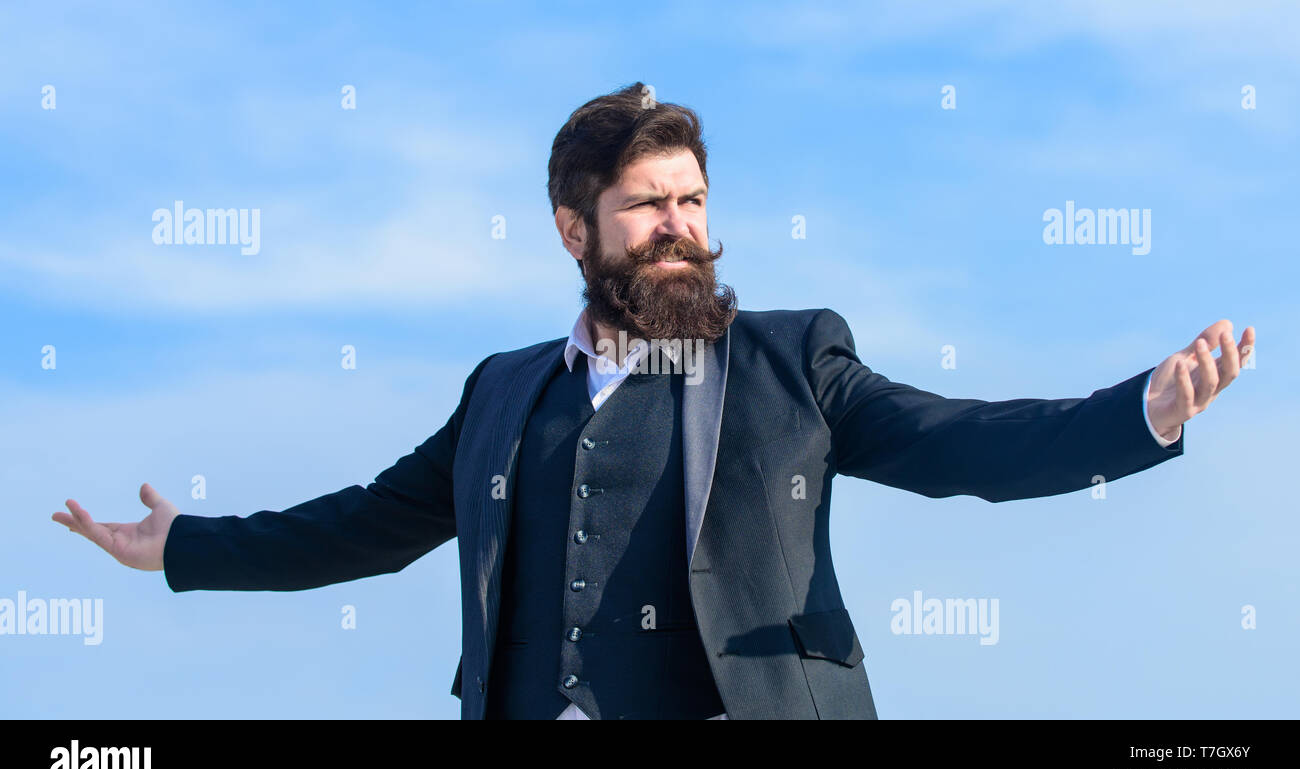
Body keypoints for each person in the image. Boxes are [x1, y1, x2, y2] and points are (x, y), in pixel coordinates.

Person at [53, 82, 1255, 719]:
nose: (681, 229)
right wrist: (183, 548)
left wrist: (1135, 413)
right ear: (576, 231)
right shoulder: (503, 393)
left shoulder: (795, 363)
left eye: (692, 201)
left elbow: (958, 444)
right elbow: (369, 524)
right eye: (647, 207)